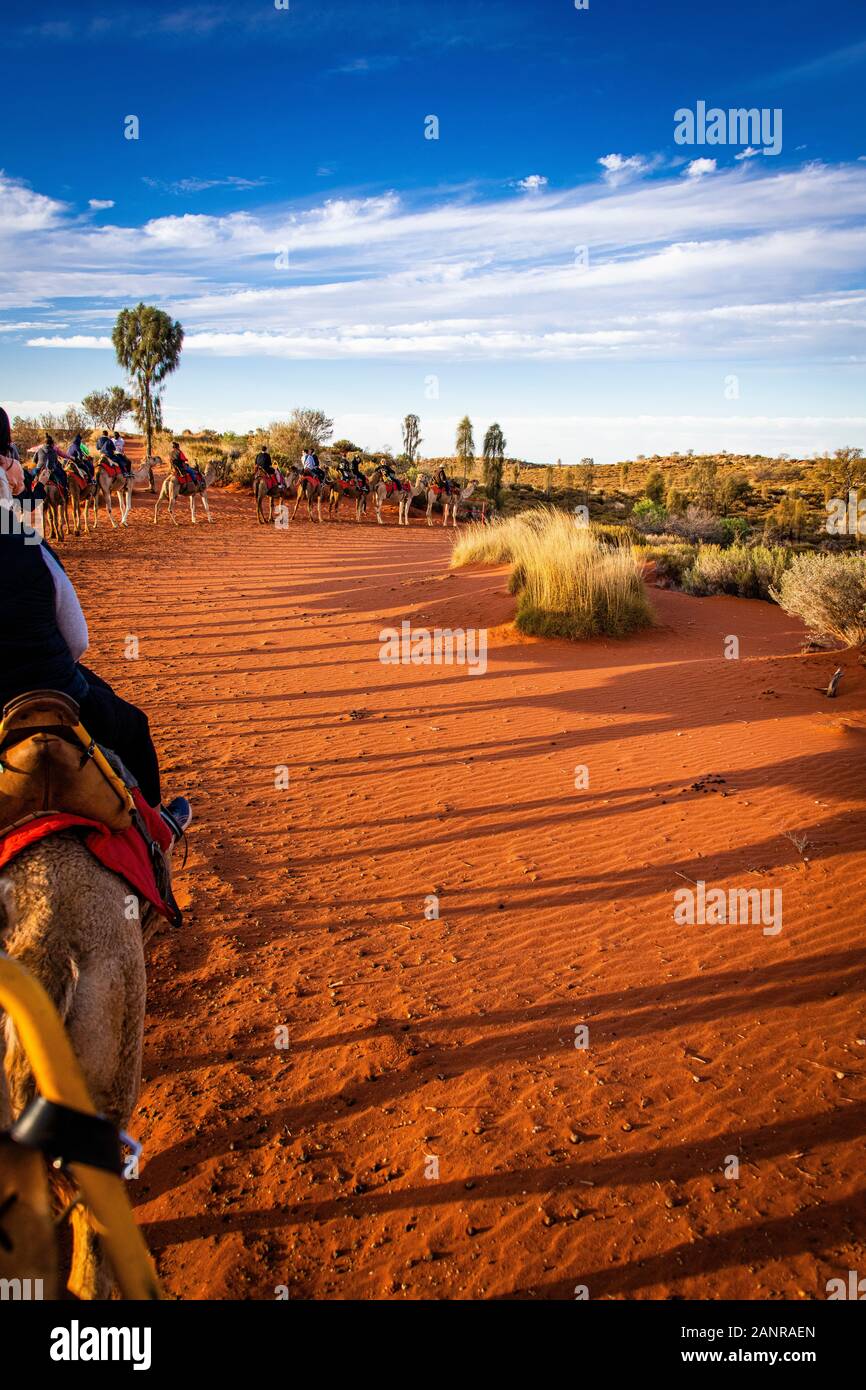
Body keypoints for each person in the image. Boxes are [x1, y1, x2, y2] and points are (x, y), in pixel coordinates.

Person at [0, 409, 189, 835]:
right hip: (54, 689)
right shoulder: (29, 542)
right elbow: (77, 641)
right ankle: (159, 829)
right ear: (2, 462)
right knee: (133, 726)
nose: (19, 469)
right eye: (12, 458)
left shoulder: (77, 449)